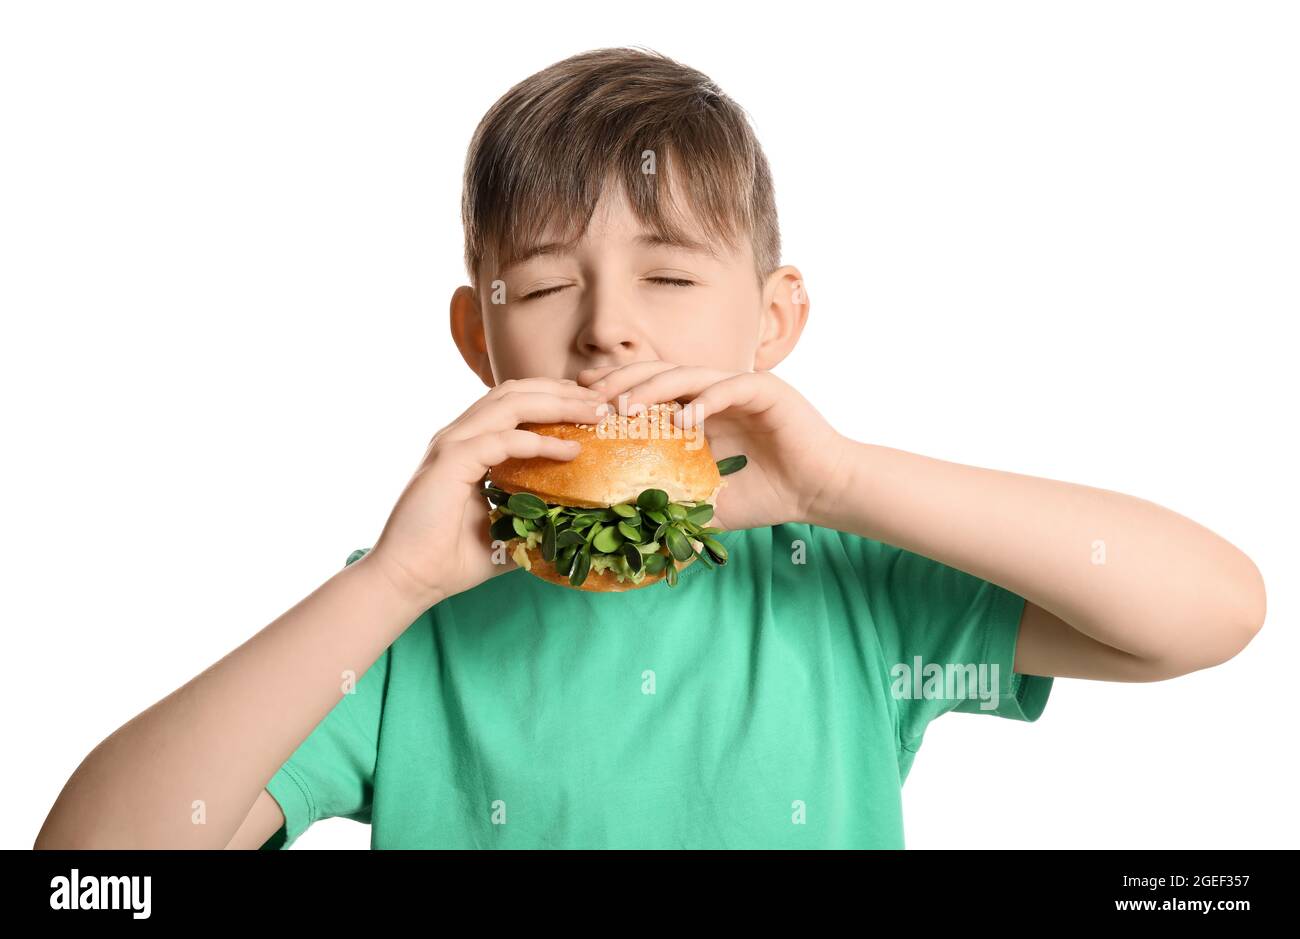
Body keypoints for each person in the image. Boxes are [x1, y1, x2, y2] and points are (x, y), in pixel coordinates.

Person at [34, 46, 1266, 850]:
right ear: (480, 338)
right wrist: (389, 585)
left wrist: (840, 483)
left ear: (772, 321)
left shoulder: (846, 577)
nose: (609, 328)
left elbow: (1207, 614)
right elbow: (92, 877)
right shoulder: (404, 624)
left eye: (668, 275)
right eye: (544, 286)